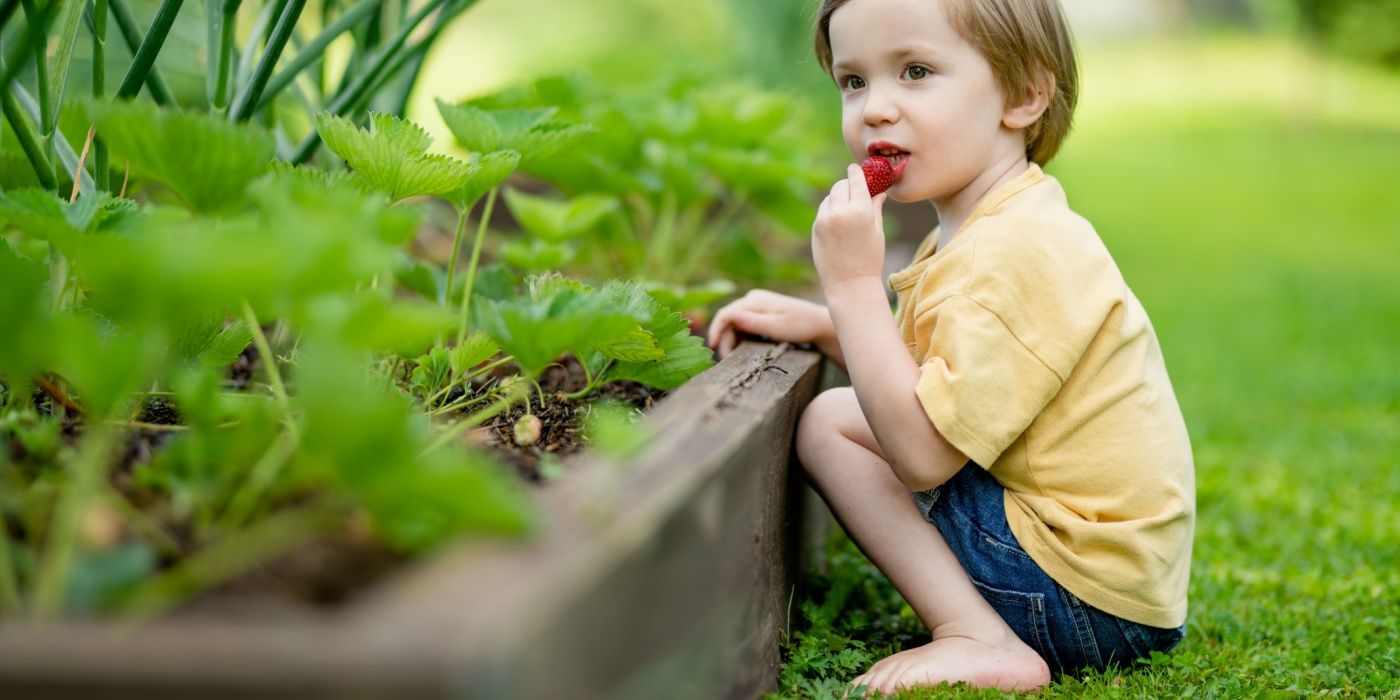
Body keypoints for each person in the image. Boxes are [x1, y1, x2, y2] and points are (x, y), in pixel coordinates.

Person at [705, 0, 1195, 694]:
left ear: (1024, 94)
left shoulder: (1008, 255)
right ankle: (983, 629)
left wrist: (850, 289)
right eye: (854, 81)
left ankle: (977, 637)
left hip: (1082, 595)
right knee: (851, 413)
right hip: (1120, 589)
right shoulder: (998, 225)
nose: (875, 109)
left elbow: (925, 453)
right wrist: (825, 324)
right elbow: (930, 374)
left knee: (830, 425)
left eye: (915, 71)